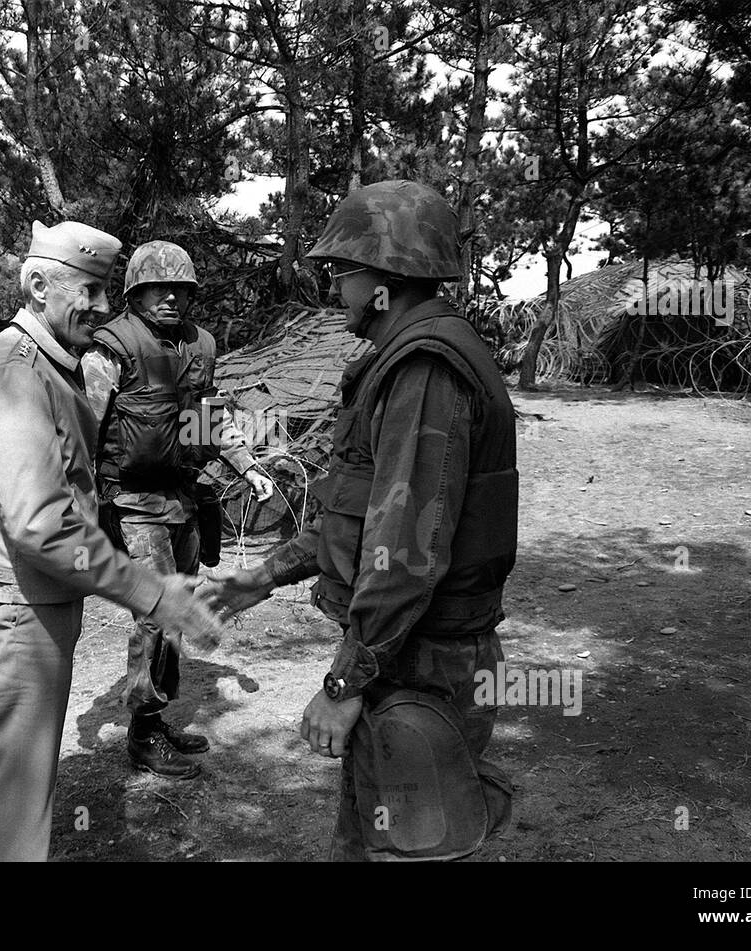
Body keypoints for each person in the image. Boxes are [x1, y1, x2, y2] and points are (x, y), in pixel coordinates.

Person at [205, 180, 518, 861]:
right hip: (399, 658)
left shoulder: (426, 370)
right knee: (371, 842)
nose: (337, 287)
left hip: (424, 665)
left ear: (387, 275)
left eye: (343, 271)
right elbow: (358, 516)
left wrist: (344, 684)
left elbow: (405, 552)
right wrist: (259, 577)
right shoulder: (396, 363)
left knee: (411, 848)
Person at [0, 220, 222, 861]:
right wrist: (148, 590)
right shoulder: (19, 375)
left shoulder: (49, 366)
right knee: (22, 795)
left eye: (108, 292)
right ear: (39, 286)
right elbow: (42, 524)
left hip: (33, 595)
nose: (103, 309)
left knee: (14, 777)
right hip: (19, 601)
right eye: (92, 291)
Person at [82, 240, 274, 779]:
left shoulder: (200, 344)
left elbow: (210, 418)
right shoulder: (110, 348)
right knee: (156, 611)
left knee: (180, 607)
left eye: (179, 289)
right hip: (133, 501)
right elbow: (83, 429)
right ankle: (142, 733)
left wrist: (247, 465)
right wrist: (81, 505)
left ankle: (155, 716)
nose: (169, 296)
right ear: (135, 292)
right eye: (156, 288)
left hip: (184, 496)